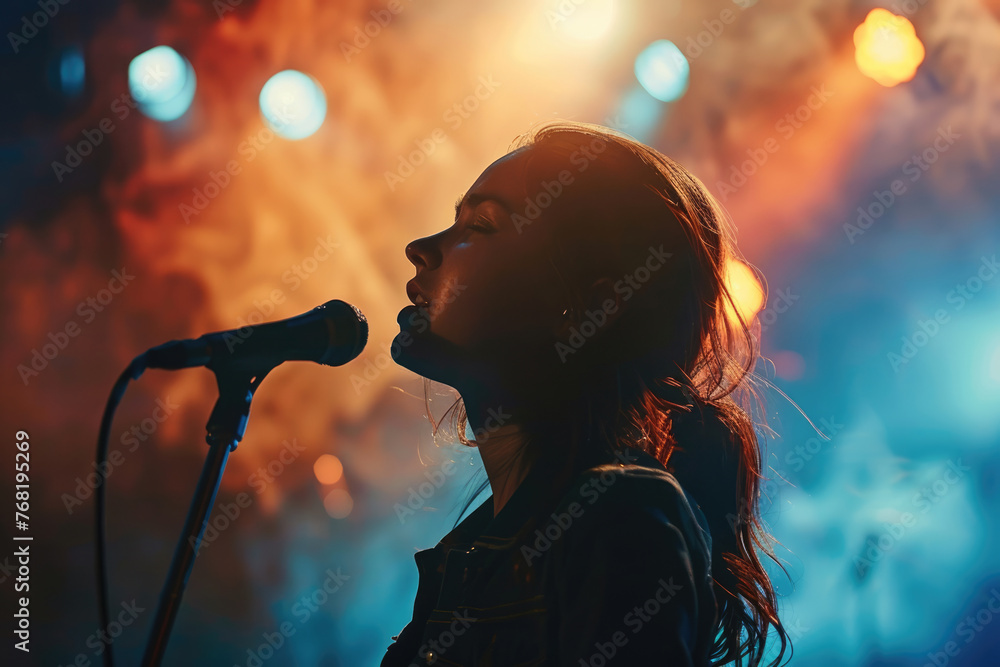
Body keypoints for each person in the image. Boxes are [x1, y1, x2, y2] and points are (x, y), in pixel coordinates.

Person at [380, 121, 790, 666]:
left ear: (591, 307)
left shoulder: (622, 520)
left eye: (480, 225)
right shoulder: (473, 550)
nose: (420, 249)